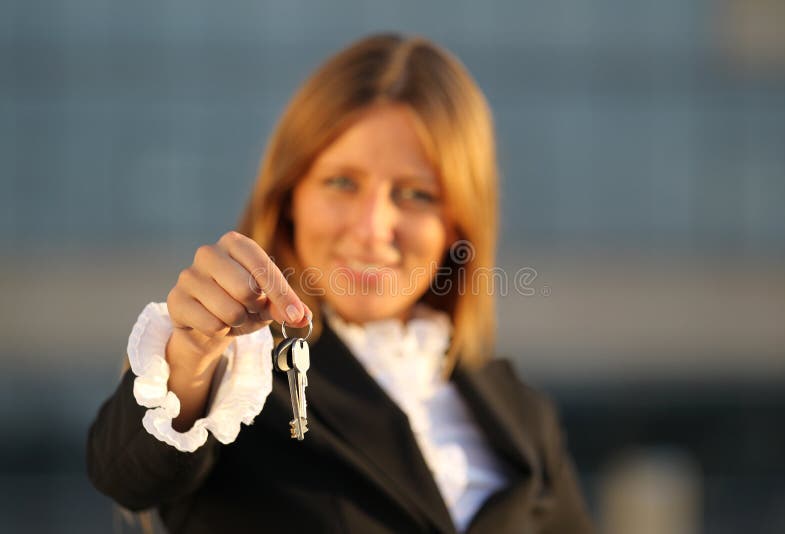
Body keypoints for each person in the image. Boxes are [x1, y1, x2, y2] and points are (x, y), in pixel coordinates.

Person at [86, 33, 593, 533]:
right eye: (342, 183)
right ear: (290, 198)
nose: (372, 227)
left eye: (415, 194)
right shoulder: (238, 379)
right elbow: (125, 474)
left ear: (457, 224)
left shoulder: (522, 414)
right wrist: (192, 355)